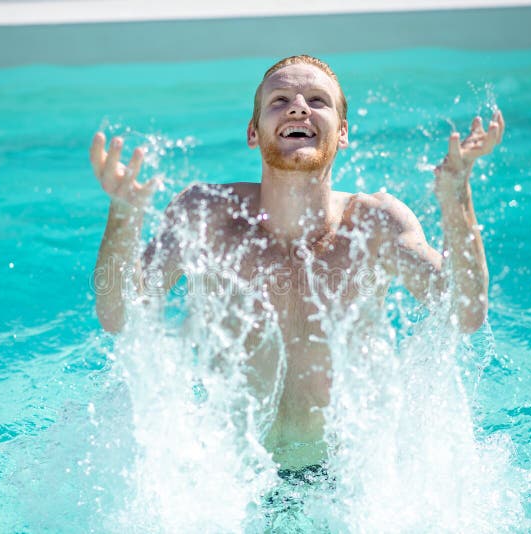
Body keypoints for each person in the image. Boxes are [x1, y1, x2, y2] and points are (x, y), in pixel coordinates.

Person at [89, 55, 505, 471]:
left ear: (342, 133)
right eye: (280, 99)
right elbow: (119, 314)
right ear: (253, 132)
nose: (299, 107)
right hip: (231, 476)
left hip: (341, 477)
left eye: (317, 100)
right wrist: (124, 213)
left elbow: (464, 311)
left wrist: (456, 199)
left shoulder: (376, 224)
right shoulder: (206, 216)